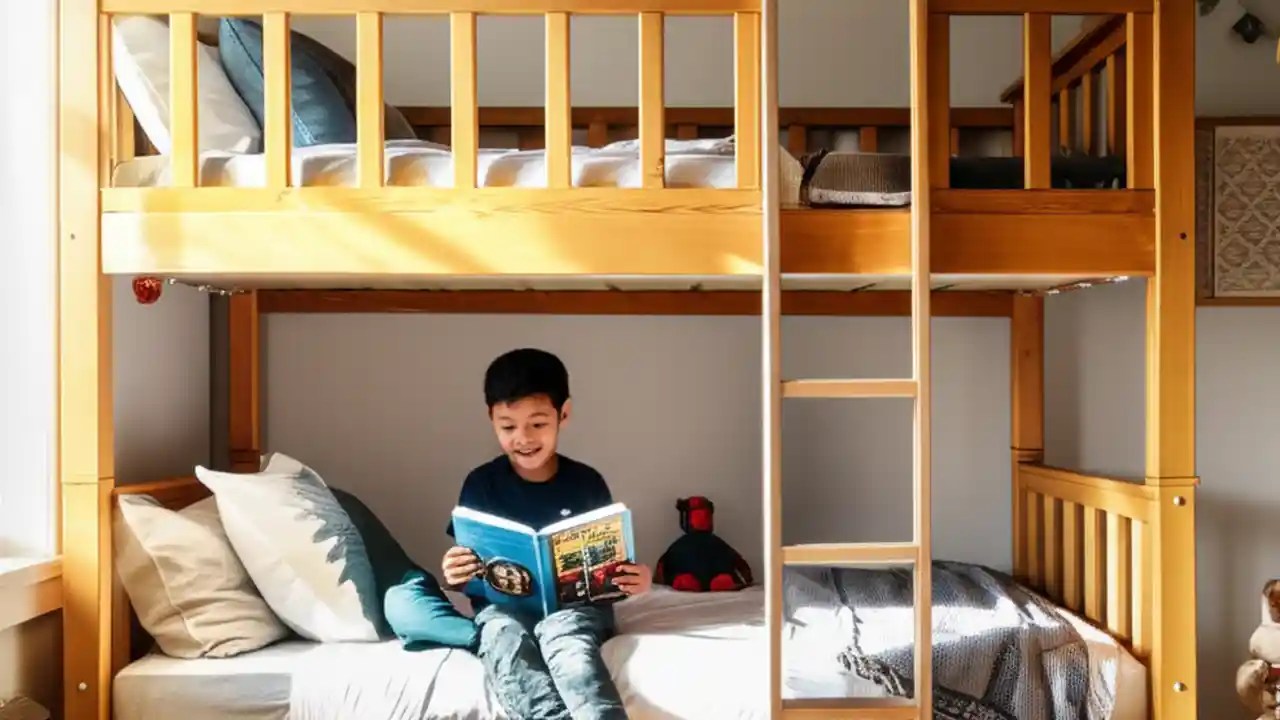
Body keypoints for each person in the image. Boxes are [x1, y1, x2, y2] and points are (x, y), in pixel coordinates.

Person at [442, 348, 651, 720]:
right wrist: (457, 573)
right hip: (504, 610)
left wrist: (636, 579)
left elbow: (610, 568)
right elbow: (470, 571)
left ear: (563, 415)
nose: (522, 437)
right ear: (491, 418)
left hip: (576, 611)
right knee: (500, 637)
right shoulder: (480, 486)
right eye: (507, 426)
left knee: (564, 638)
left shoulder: (586, 483)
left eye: (537, 424)